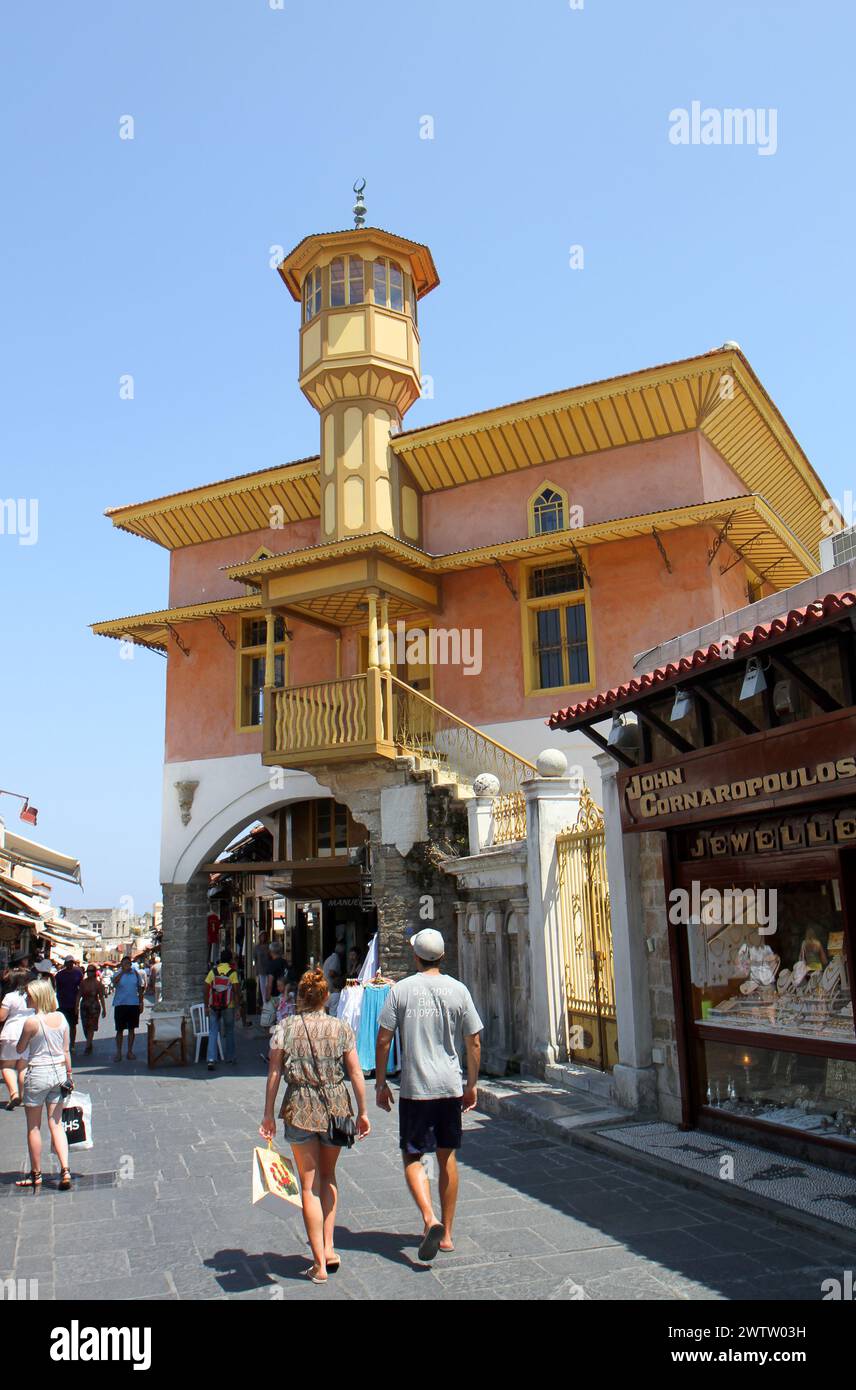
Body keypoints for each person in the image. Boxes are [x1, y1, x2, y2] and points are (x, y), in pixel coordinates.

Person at [375, 927, 482, 1262]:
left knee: (412, 1155)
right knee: (447, 1157)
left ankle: (428, 1217)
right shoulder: (458, 990)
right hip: (449, 1085)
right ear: (443, 956)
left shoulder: (401, 991)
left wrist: (380, 1084)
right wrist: (472, 1084)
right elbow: (474, 1040)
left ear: (415, 956)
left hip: (416, 1088)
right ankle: (447, 1234)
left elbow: (383, 1039)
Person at [260, 967, 370, 1284]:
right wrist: (362, 1111)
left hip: (300, 1107)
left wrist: (268, 1114)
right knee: (329, 1176)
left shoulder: (284, 1029)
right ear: (325, 997)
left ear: (300, 999)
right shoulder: (341, 1028)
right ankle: (331, 1247)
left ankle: (319, 1262)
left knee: (307, 1185)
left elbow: (274, 1074)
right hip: (336, 1107)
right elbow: (356, 1073)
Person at [15, 978, 74, 1190]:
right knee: (56, 1123)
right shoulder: (61, 1018)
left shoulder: (31, 1022)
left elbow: (21, 1049)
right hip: (59, 1072)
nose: (26, 998)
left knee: (33, 1127)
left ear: (38, 996)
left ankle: (36, 1173)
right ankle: (65, 1169)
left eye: (29, 995)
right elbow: (66, 1050)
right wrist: (69, 1074)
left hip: (38, 1073)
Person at [0, 968, 35, 1108]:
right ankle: (22, 1095)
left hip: (11, 1032)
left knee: (7, 1066)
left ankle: (14, 1093)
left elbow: (2, 1016)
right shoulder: (32, 995)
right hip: (30, 1030)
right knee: (23, 1066)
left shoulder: (10, 996)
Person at [204, 950, 239, 1070]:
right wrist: (238, 1008)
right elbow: (236, 991)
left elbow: (206, 988)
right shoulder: (232, 973)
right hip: (228, 1006)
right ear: (230, 960)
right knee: (229, 1031)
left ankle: (211, 1059)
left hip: (214, 1005)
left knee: (213, 1031)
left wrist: (206, 1005)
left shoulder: (213, 972)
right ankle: (230, 1057)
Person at [112, 956, 145, 1062]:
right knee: (119, 1030)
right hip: (120, 1004)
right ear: (121, 964)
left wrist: (141, 1002)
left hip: (133, 1004)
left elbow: (140, 988)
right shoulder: (118, 973)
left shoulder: (135, 974)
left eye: (128, 963)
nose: (127, 965)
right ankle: (118, 1052)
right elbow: (114, 983)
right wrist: (122, 972)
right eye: (125, 963)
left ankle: (130, 1051)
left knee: (131, 1029)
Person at [54, 958, 84, 1051]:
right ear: (65, 963)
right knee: (60, 1025)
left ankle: (72, 1044)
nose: (70, 964)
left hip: (73, 1003)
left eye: (72, 963)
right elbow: (56, 988)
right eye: (68, 963)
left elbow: (81, 987)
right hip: (61, 1003)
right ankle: (62, 1043)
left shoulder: (78, 973)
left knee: (73, 1025)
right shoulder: (59, 975)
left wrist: (78, 1003)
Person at [77, 965, 107, 1054]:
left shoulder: (98, 984)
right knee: (85, 1026)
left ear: (94, 972)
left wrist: (104, 1009)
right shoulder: (83, 983)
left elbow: (101, 997)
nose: (89, 973)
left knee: (91, 1026)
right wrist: (76, 1006)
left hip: (94, 1006)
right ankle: (89, 1041)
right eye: (88, 971)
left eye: (91, 971)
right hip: (84, 1006)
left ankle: (88, 1045)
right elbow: (79, 995)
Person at [254, 931, 272, 1005]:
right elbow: (255, 959)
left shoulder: (269, 946)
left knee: (269, 985)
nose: (263, 937)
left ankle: (269, 1002)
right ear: (259, 937)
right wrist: (256, 970)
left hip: (269, 968)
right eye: (262, 936)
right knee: (262, 987)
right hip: (261, 969)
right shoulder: (256, 947)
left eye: (264, 936)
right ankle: (265, 1003)